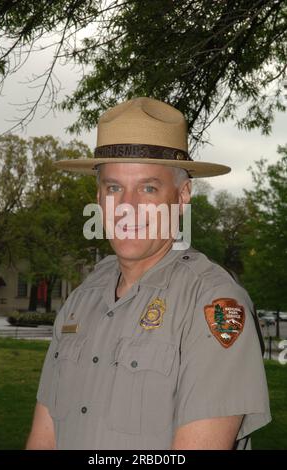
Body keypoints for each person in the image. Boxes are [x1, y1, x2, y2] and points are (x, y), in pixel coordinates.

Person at [26, 97, 271, 450]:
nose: (127, 207)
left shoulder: (212, 304)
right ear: (98, 196)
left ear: (183, 194)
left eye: (148, 188)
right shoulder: (82, 299)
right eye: (114, 188)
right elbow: (43, 439)